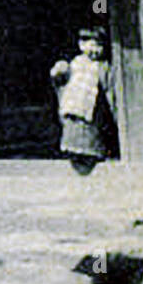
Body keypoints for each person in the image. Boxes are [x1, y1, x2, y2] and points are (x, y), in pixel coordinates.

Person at [51, 26, 118, 174]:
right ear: (81, 45)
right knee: (72, 133)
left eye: (99, 45)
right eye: (92, 44)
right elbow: (60, 79)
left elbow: (109, 90)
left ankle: (90, 157)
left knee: (89, 135)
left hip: (90, 109)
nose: (95, 49)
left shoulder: (102, 66)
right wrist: (58, 71)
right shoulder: (75, 63)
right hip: (74, 107)